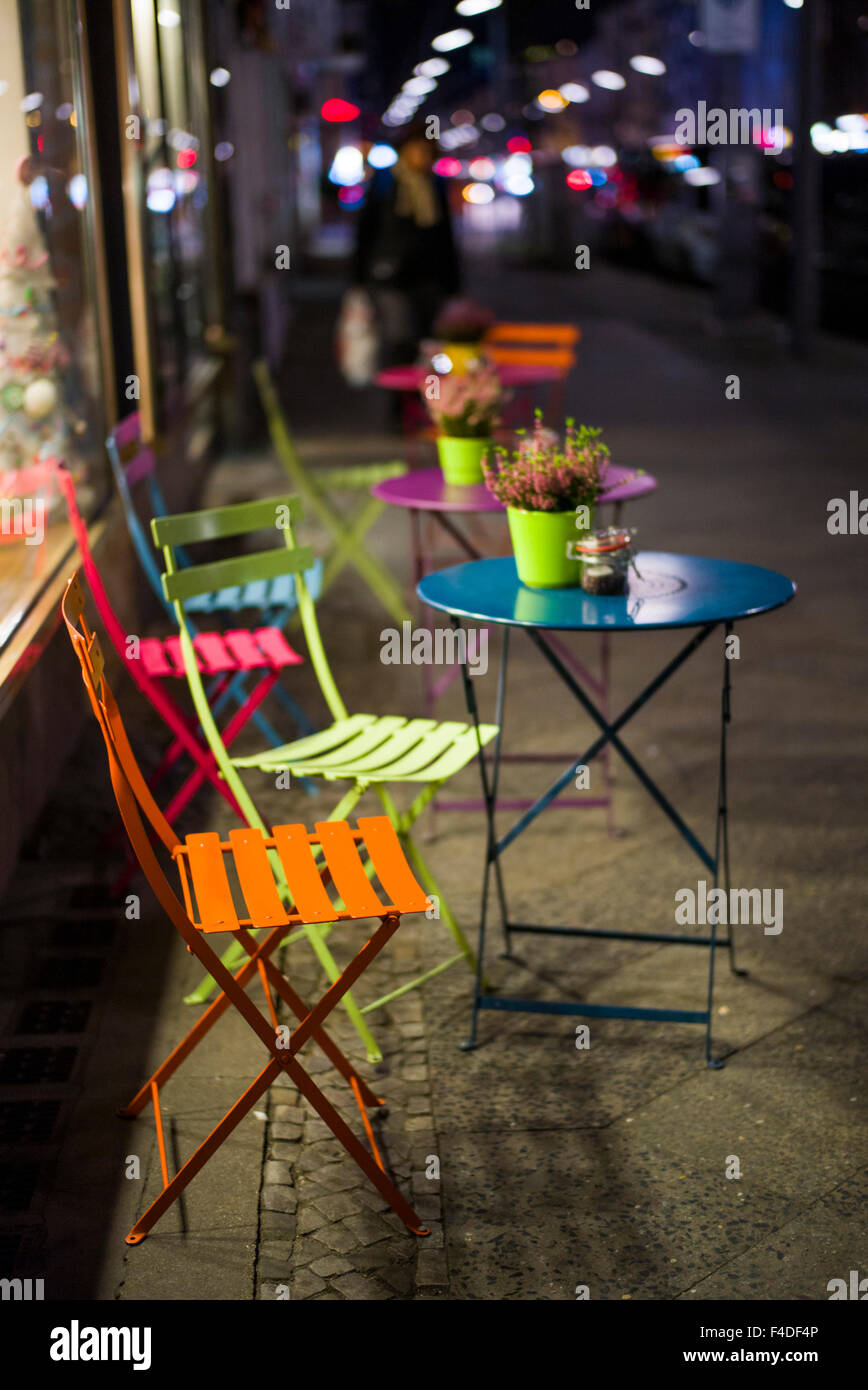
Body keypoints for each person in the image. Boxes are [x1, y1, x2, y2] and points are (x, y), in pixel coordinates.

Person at [352, 125, 461, 367]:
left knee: (428, 342)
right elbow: (365, 232)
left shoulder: (435, 186)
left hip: (429, 276)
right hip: (389, 275)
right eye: (417, 151)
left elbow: (446, 237)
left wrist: (454, 283)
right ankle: (399, 400)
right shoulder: (385, 183)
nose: (422, 157)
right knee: (398, 338)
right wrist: (358, 279)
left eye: (427, 152)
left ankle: (425, 398)